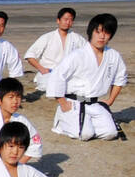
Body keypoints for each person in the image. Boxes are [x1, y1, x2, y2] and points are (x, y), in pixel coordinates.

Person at [45, 13, 127, 141]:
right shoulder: (77, 55)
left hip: (95, 102)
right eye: (98, 32)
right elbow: (57, 76)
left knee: (110, 133)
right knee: (85, 134)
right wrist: (63, 102)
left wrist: (110, 100)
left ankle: (86, 122)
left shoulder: (113, 55)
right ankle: (62, 121)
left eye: (106, 33)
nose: (102, 36)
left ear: (111, 35)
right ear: (91, 32)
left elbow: (120, 78)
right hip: (74, 102)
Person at [24, 7, 87, 90]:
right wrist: (42, 69)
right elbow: (29, 56)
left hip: (68, 74)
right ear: (58, 20)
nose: (68, 22)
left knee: (82, 88)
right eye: (65, 19)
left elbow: (89, 53)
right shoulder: (47, 37)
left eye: (70, 20)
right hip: (48, 73)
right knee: (52, 87)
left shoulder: (77, 38)